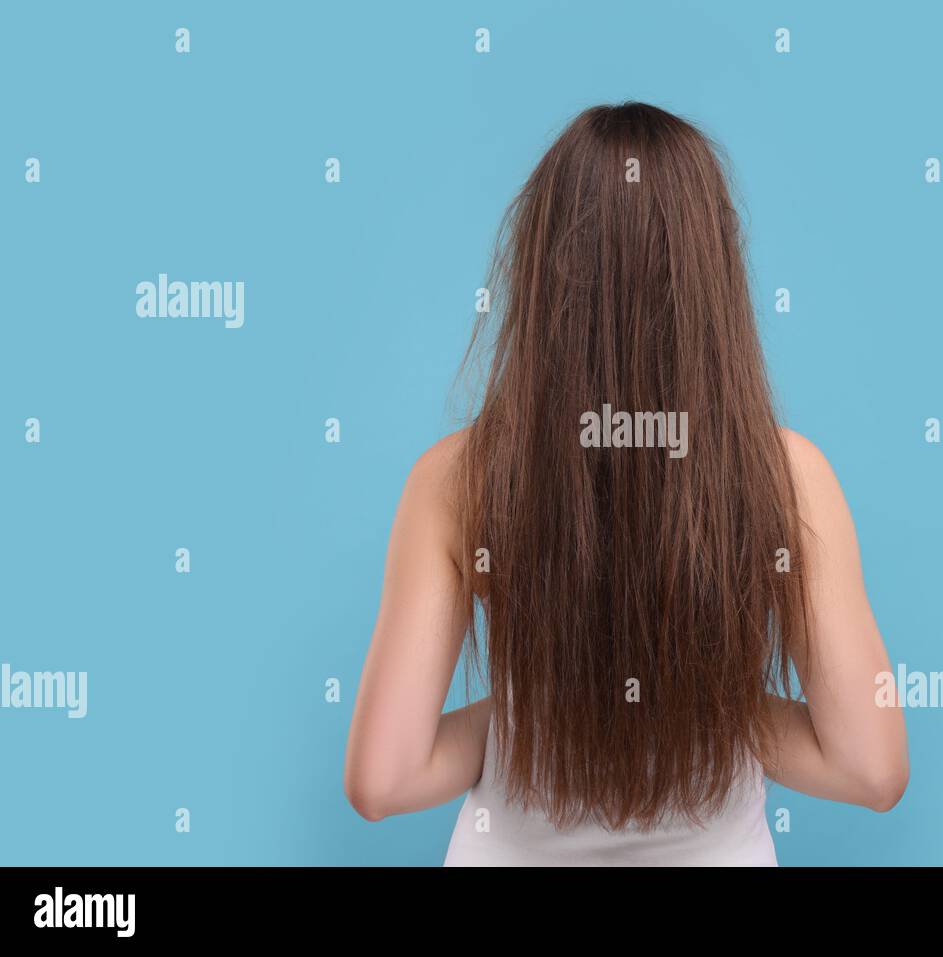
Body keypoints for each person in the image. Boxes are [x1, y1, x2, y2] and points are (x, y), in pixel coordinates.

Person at [344, 103, 908, 866]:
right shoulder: (789, 480)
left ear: (540, 268)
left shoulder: (458, 480)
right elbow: (870, 768)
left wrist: (527, 717)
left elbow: (383, 779)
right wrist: (696, 711)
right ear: (715, 271)